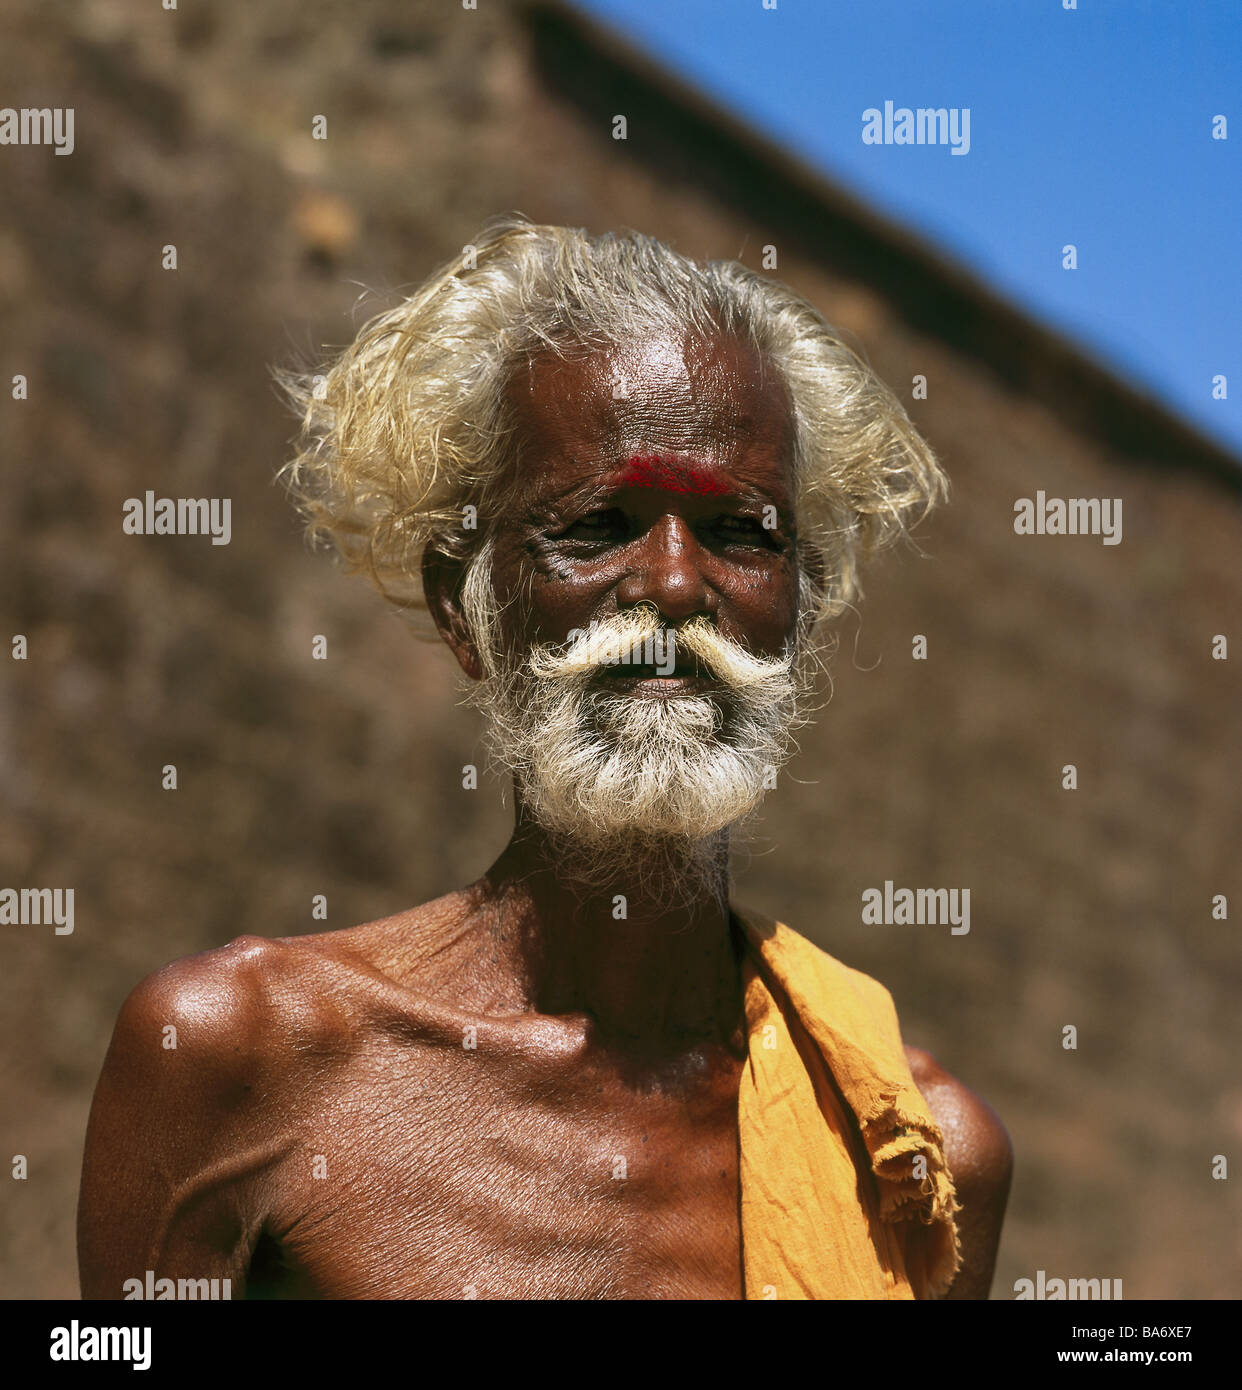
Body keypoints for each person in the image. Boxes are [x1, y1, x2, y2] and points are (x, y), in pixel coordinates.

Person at [78, 218, 1012, 1300]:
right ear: (466, 608)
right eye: (600, 522)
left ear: (800, 613)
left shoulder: (915, 1157)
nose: (672, 587)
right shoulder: (239, 1057)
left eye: (743, 533)